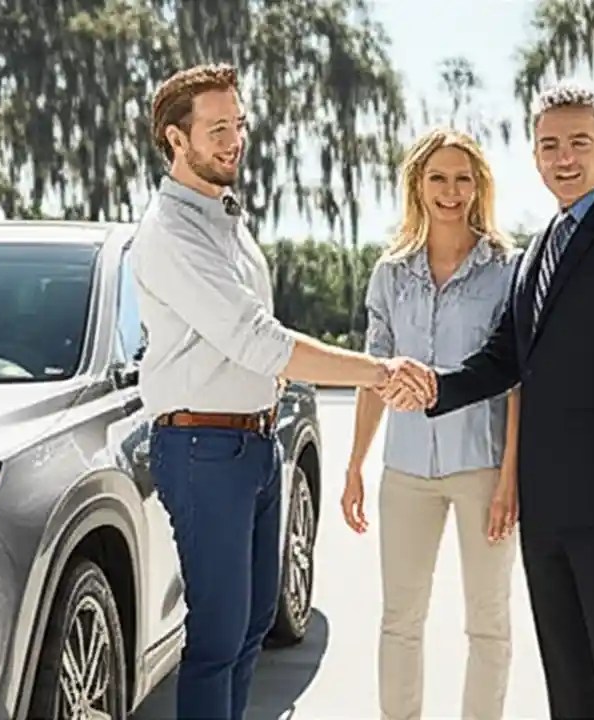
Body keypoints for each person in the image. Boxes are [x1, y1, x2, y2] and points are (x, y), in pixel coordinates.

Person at [129, 62, 427, 720]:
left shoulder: (222, 218)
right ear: (176, 138)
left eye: (238, 124)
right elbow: (257, 339)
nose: (234, 140)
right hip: (204, 450)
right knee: (217, 638)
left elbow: (250, 341)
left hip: (253, 446)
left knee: (252, 628)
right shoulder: (173, 232)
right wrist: (378, 371)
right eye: (217, 129)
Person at [382, 83, 594, 718]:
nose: (564, 158)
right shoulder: (539, 246)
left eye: (579, 143)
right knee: (567, 668)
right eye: (549, 145)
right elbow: (507, 357)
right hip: (546, 504)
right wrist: (436, 386)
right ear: (535, 156)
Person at [342, 127, 520, 720]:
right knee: (400, 619)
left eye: (463, 179)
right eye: (438, 178)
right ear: (417, 185)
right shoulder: (391, 273)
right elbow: (373, 375)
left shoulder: (507, 270)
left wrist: (509, 478)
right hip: (406, 470)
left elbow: (517, 382)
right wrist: (355, 466)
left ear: (479, 186)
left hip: (482, 468)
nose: (451, 191)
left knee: (488, 622)